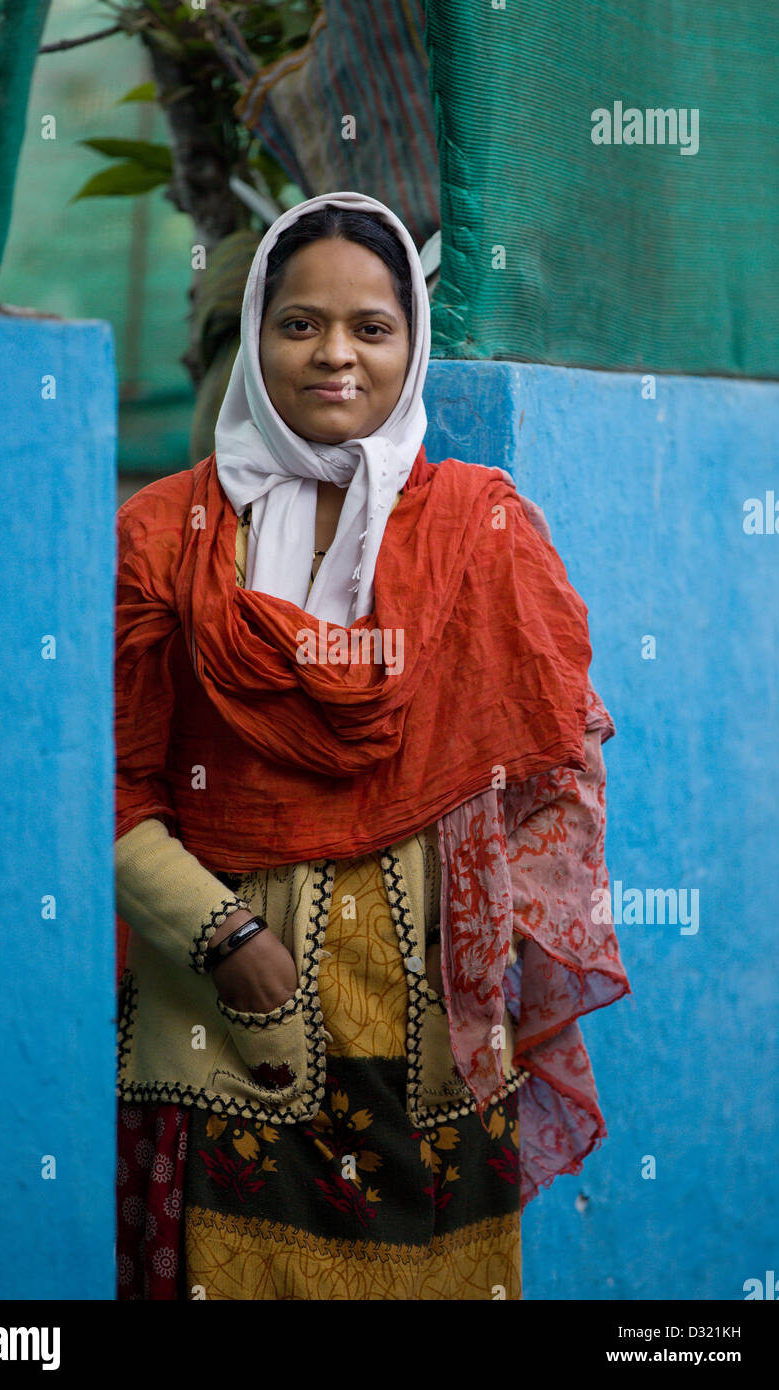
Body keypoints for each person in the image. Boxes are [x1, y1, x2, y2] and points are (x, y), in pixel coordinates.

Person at [113, 190, 631, 1301]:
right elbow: (112, 784)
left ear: (413, 344)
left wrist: (499, 939)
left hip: (440, 1054)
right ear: (254, 337)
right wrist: (223, 936)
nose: (334, 354)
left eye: (371, 327)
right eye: (299, 323)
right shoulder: (167, 532)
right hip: (227, 1034)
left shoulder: (479, 524)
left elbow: (554, 766)